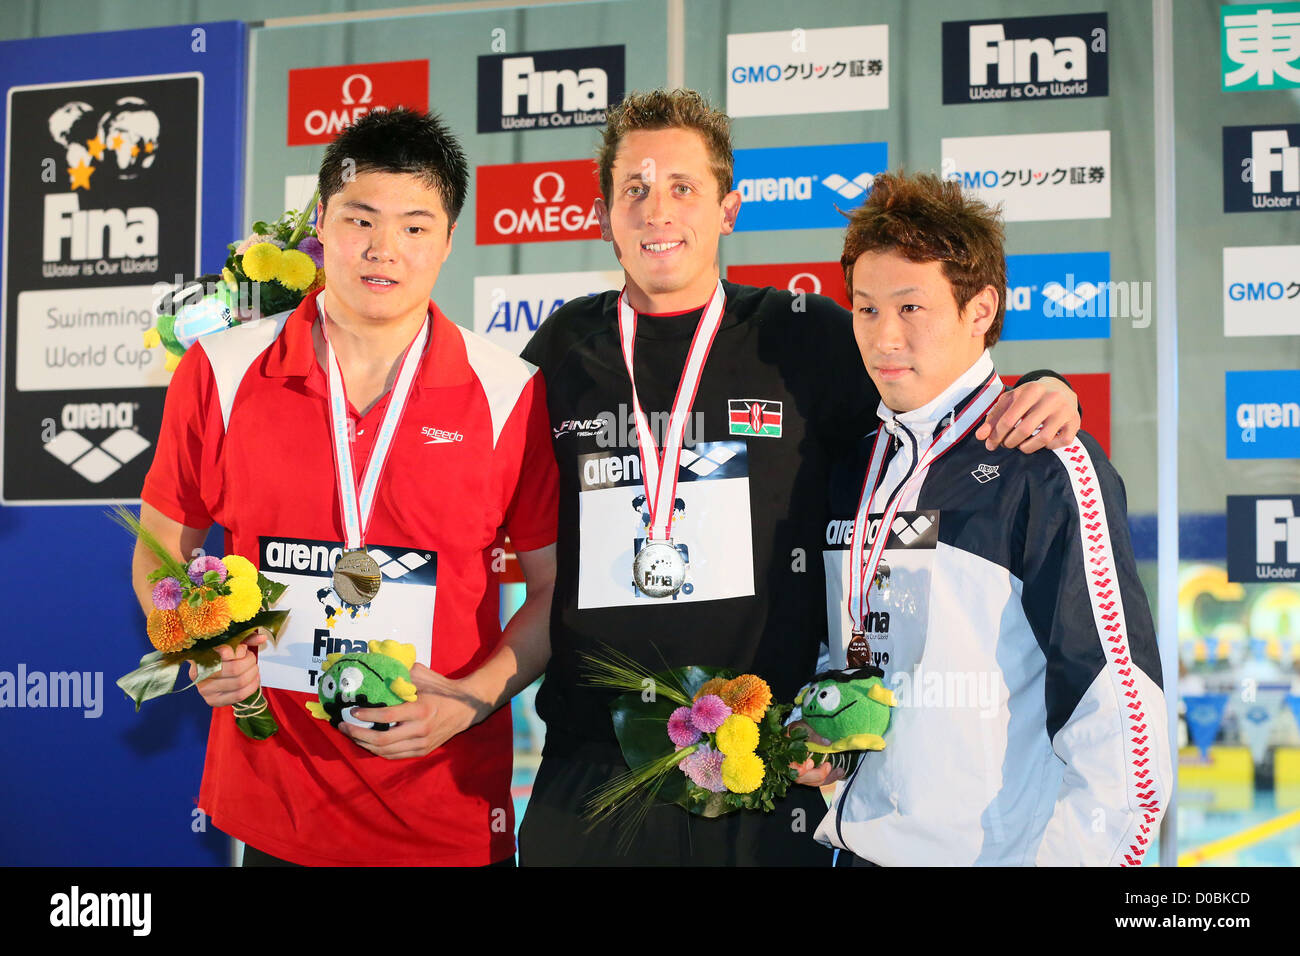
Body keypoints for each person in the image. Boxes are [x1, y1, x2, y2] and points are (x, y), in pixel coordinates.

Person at [516, 88, 1083, 865]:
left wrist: (1044, 384)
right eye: (635, 190)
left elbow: (931, 393)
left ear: (730, 208)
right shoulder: (560, 348)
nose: (657, 211)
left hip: (768, 773)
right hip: (591, 774)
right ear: (603, 211)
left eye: (683, 188)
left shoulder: (804, 337)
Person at [132, 109, 558, 866]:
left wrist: (472, 699)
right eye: (361, 219)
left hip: (445, 808)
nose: (384, 249)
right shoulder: (222, 372)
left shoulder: (509, 393)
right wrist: (198, 644)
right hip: (275, 805)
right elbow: (162, 547)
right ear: (321, 223)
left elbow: (557, 590)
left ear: (449, 241)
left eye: (416, 227)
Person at [809, 171, 1169, 866]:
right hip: (862, 849)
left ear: (980, 309)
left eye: (911, 308)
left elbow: (1121, 718)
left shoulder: (1043, 464)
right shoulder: (856, 466)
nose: (884, 337)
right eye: (865, 309)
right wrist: (825, 724)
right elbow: (862, 649)